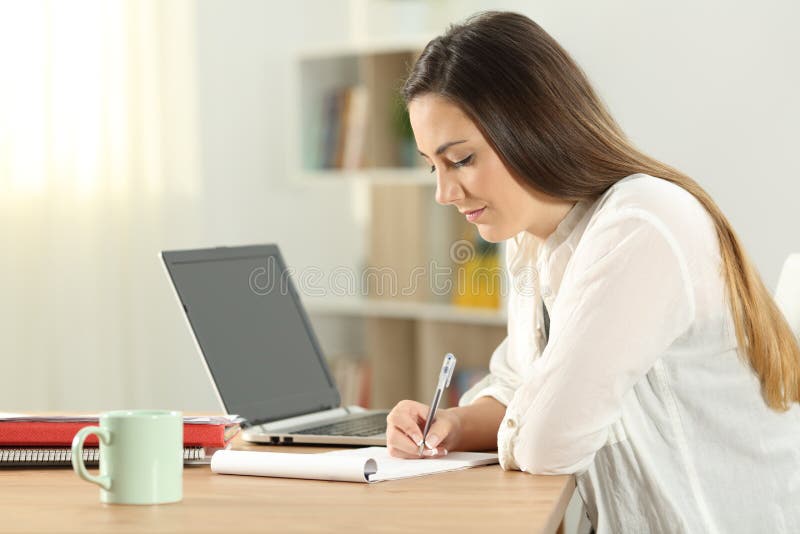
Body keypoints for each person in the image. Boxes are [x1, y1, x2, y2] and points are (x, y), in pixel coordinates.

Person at [385, 11, 800, 533]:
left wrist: (524, 415)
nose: (444, 193)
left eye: (461, 159)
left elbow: (548, 442)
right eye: (432, 165)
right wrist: (451, 424)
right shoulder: (532, 240)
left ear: (533, 127)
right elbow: (519, 383)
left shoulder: (641, 224)